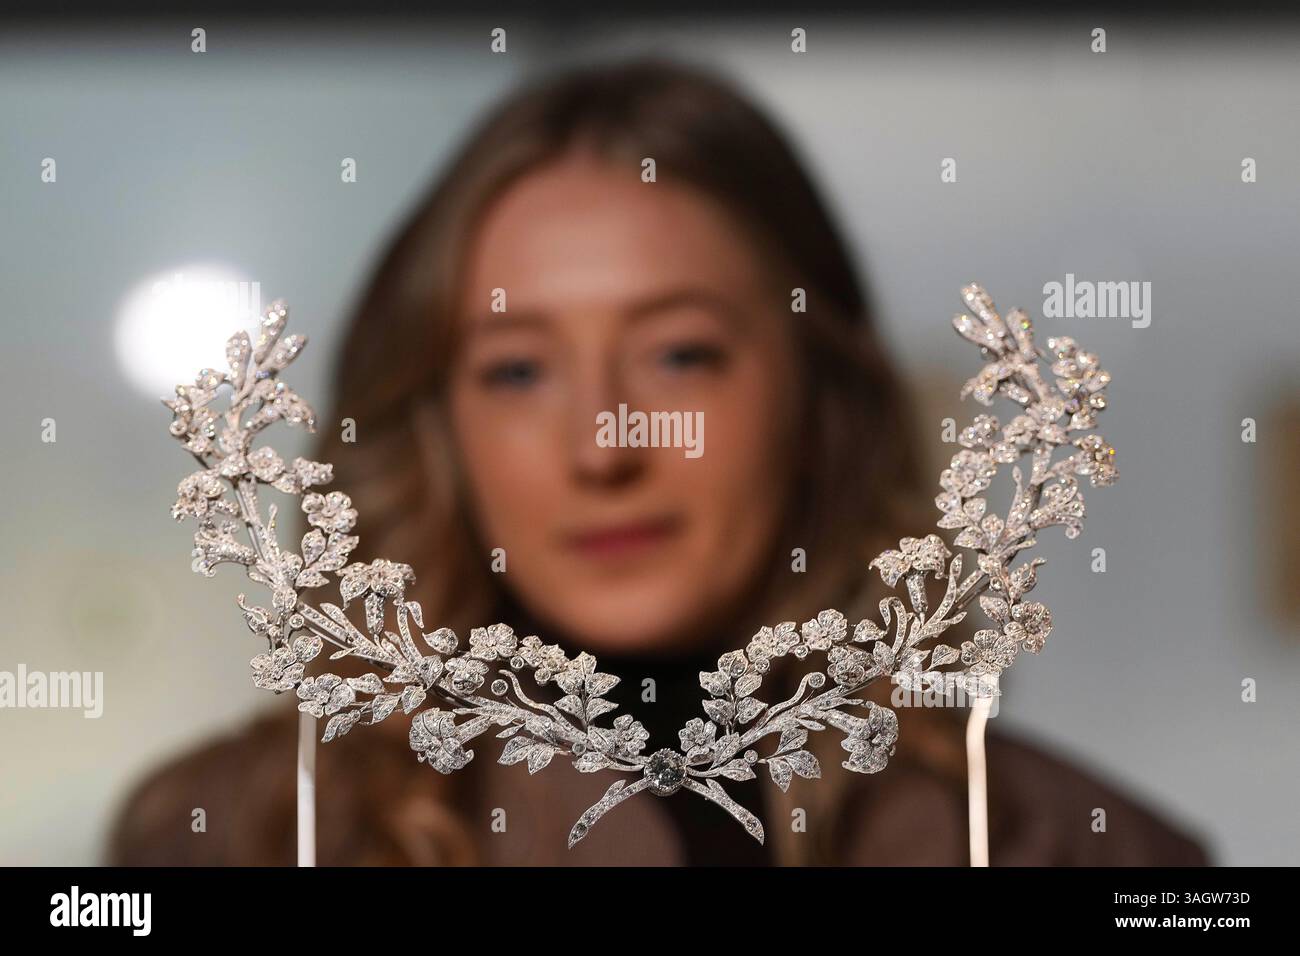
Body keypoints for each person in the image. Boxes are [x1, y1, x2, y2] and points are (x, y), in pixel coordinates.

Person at [109, 59, 1207, 866]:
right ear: (438, 426)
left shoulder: (1087, 850)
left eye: (680, 353)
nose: (602, 446)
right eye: (517, 370)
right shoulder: (239, 831)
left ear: (818, 395)